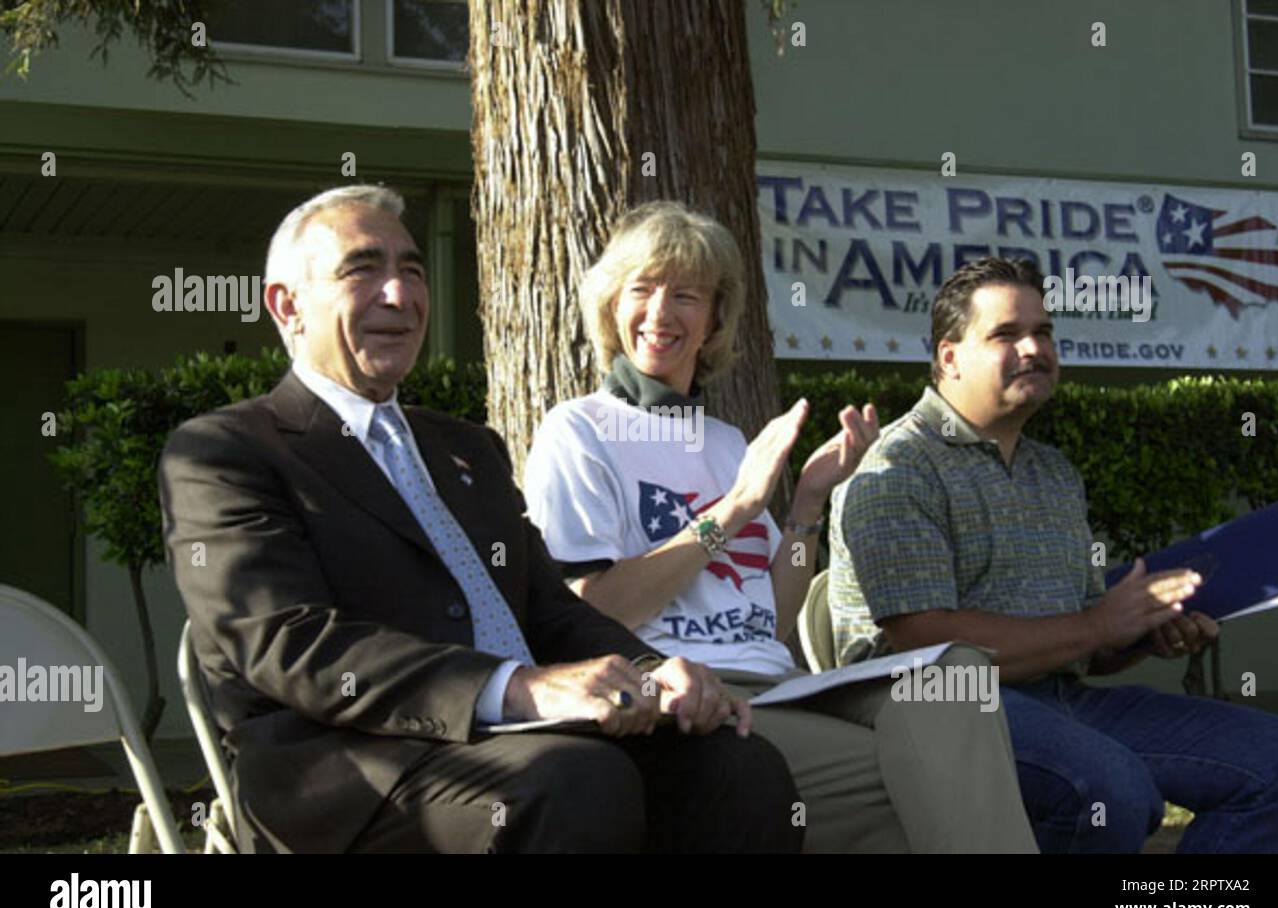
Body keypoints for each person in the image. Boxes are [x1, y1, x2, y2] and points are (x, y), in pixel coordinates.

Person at [157, 185, 803, 854]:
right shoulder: (226, 452)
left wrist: (652, 668)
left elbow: (548, 608)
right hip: (354, 771)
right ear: (288, 306)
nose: (400, 294)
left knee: (737, 768)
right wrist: (518, 688)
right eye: (363, 268)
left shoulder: (464, 448)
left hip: (529, 743)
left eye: (412, 270)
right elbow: (290, 642)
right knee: (578, 783)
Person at [524, 201, 1038, 853]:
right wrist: (735, 506)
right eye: (642, 289)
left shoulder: (724, 440)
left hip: (783, 684)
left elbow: (769, 614)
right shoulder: (577, 429)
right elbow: (594, 608)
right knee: (925, 783)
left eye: (685, 294)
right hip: (687, 690)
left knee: (953, 677)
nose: (660, 313)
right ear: (611, 307)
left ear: (713, 319)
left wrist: (806, 507)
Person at [829, 255, 1278, 853]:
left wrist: (1140, 631)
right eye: (1006, 334)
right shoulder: (900, 467)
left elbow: (1086, 645)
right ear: (949, 357)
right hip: (941, 709)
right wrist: (1098, 623)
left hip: (1060, 701)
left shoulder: (1053, 473)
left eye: (1043, 331)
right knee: (1110, 792)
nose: (1034, 348)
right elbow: (926, 643)